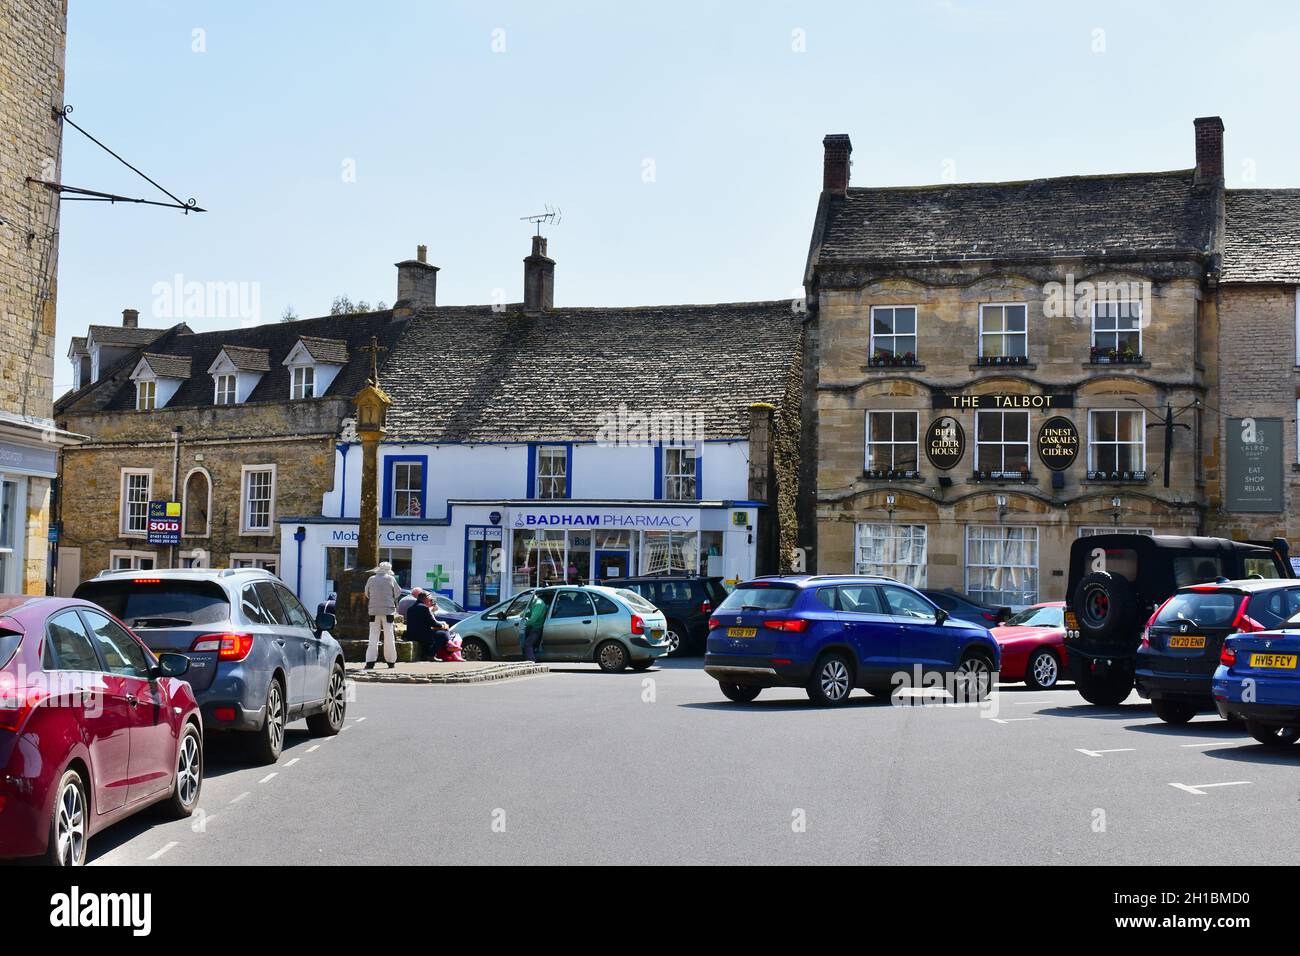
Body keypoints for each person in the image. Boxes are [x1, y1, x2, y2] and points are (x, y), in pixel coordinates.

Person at [364, 561, 402, 670]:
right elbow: (398, 593)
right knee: (389, 636)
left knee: (373, 637)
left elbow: (367, 594)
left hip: (373, 611)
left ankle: (370, 662)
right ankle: (391, 661)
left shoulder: (371, 579)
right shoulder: (390, 579)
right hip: (388, 611)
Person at [404, 591, 451, 661]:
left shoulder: (410, 608)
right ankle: (431, 655)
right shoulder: (424, 608)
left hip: (411, 635)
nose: (431, 601)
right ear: (425, 599)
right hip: (422, 635)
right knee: (444, 634)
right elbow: (433, 623)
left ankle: (430, 653)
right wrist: (444, 626)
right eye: (430, 599)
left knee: (439, 633)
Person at [522, 592, 547, 662]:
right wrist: (522, 615)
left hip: (537, 628)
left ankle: (531, 660)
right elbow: (530, 613)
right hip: (534, 627)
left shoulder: (538, 604)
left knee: (528, 644)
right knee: (529, 643)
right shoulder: (534, 603)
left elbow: (533, 619)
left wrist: (524, 624)